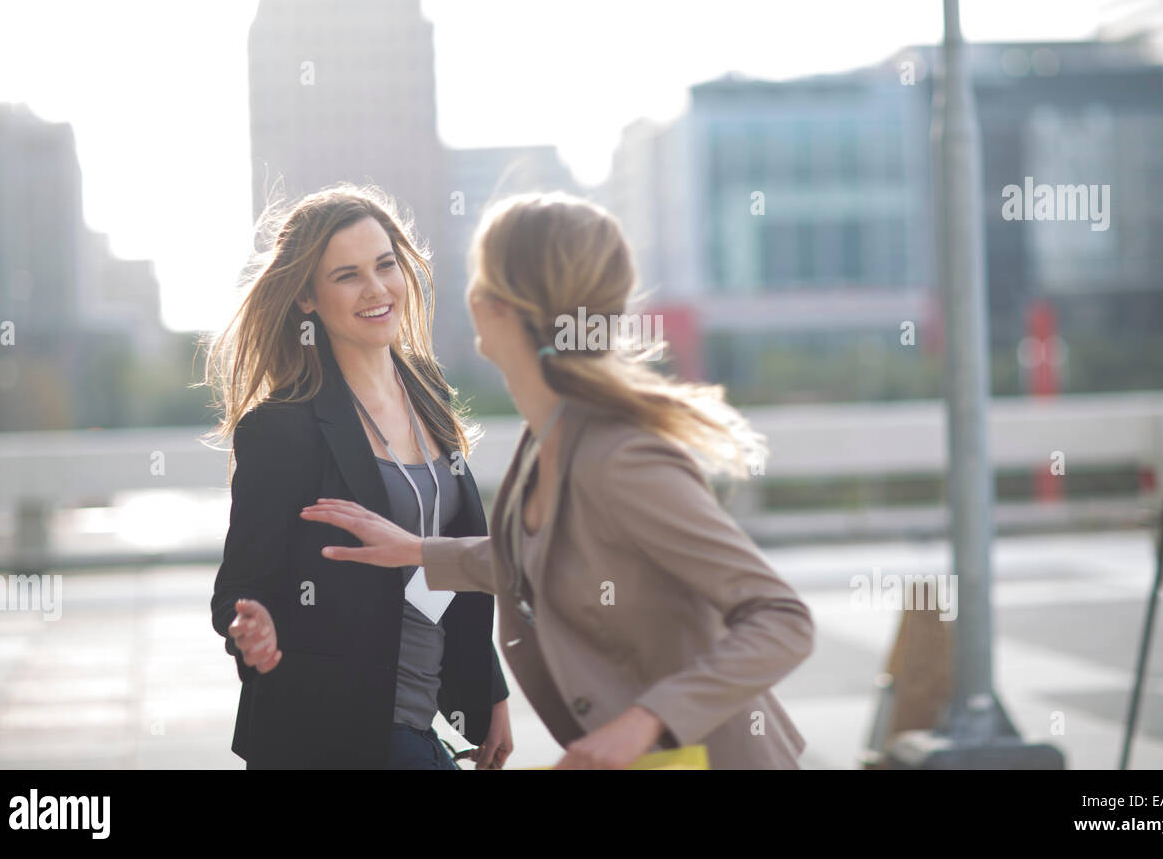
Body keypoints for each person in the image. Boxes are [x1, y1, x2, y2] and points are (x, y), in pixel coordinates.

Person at [303, 191, 814, 769]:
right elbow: (549, 556)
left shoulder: (621, 456)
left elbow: (781, 618)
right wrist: (417, 552)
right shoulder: (549, 435)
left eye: (480, 275)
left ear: (499, 305)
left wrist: (640, 726)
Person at [202, 184, 512, 769]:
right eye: (347, 275)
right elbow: (239, 588)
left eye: (385, 265)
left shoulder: (428, 393)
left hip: (421, 723)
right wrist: (254, 625)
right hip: (331, 735)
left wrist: (488, 689)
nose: (376, 289)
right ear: (306, 299)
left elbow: (441, 567)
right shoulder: (283, 430)